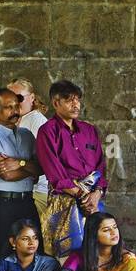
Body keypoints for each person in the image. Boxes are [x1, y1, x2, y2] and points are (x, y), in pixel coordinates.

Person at [34, 80, 107, 260]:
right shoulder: (47, 131)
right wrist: (82, 196)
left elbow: (101, 166)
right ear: (56, 103)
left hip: (94, 200)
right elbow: (54, 173)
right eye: (69, 100)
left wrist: (96, 194)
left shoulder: (89, 130)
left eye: (77, 100)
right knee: (69, 252)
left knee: (98, 249)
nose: (75, 105)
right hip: (65, 200)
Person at [0, 88, 39, 261]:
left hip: (27, 200)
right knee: (5, 252)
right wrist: (29, 167)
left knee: (34, 253)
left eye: (17, 106)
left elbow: (41, 170)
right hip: (2, 204)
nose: (15, 111)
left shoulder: (27, 135)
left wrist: (19, 163)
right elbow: (7, 175)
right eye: (8, 107)